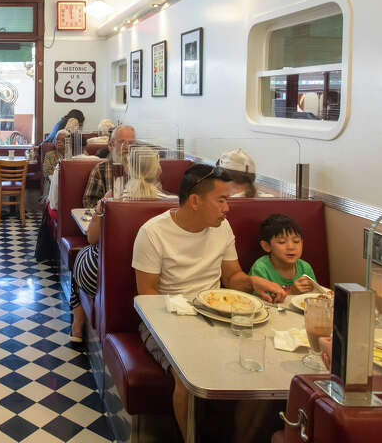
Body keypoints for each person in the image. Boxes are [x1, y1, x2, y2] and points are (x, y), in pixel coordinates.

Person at [132, 163, 285, 440]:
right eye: (222, 200)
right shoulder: (153, 233)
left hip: (218, 314)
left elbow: (232, 276)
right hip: (164, 320)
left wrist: (253, 282)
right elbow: (146, 294)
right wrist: (182, 322)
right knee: (186, 377)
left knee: (260, 368)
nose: (228, 208)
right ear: (194, 201)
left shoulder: (221, 228)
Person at [70, 144, 165, 341]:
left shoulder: (112, 199)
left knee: (80, 256)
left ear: (128, 169)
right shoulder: (171, 203)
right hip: (154, 278)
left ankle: (77, 327)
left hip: (105, 272)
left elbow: (92, 238)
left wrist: (98, 211)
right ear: (158, 170)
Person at [249, 214, 318, 293]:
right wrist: (291, 292)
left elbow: (315, 296)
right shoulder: (261, 268)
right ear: (266, 246)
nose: (291, 247)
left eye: (296, 241)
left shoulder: (305, 268)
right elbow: (259, 303)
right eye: (282, 242)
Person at [81, 125, 136, 208]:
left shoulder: (142, 168)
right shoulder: (101, 169)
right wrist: (105, 200)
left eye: (131, 143)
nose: (127, 147)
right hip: (110, 217)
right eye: (122, 142)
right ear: (112, 144)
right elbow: (89, 203)